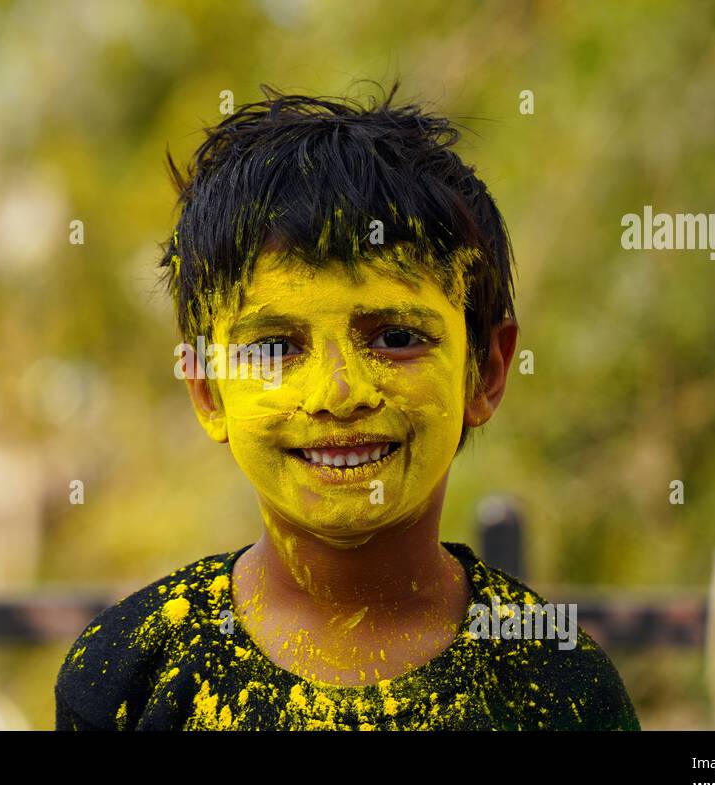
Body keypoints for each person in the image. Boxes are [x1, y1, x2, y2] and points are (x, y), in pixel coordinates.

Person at [55, 82, 640, 730]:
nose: (337, 394)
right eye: (276, 347)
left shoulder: (561, 689)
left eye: (396, 338)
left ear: (486, 370)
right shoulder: (128, 676)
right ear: (207, 388)